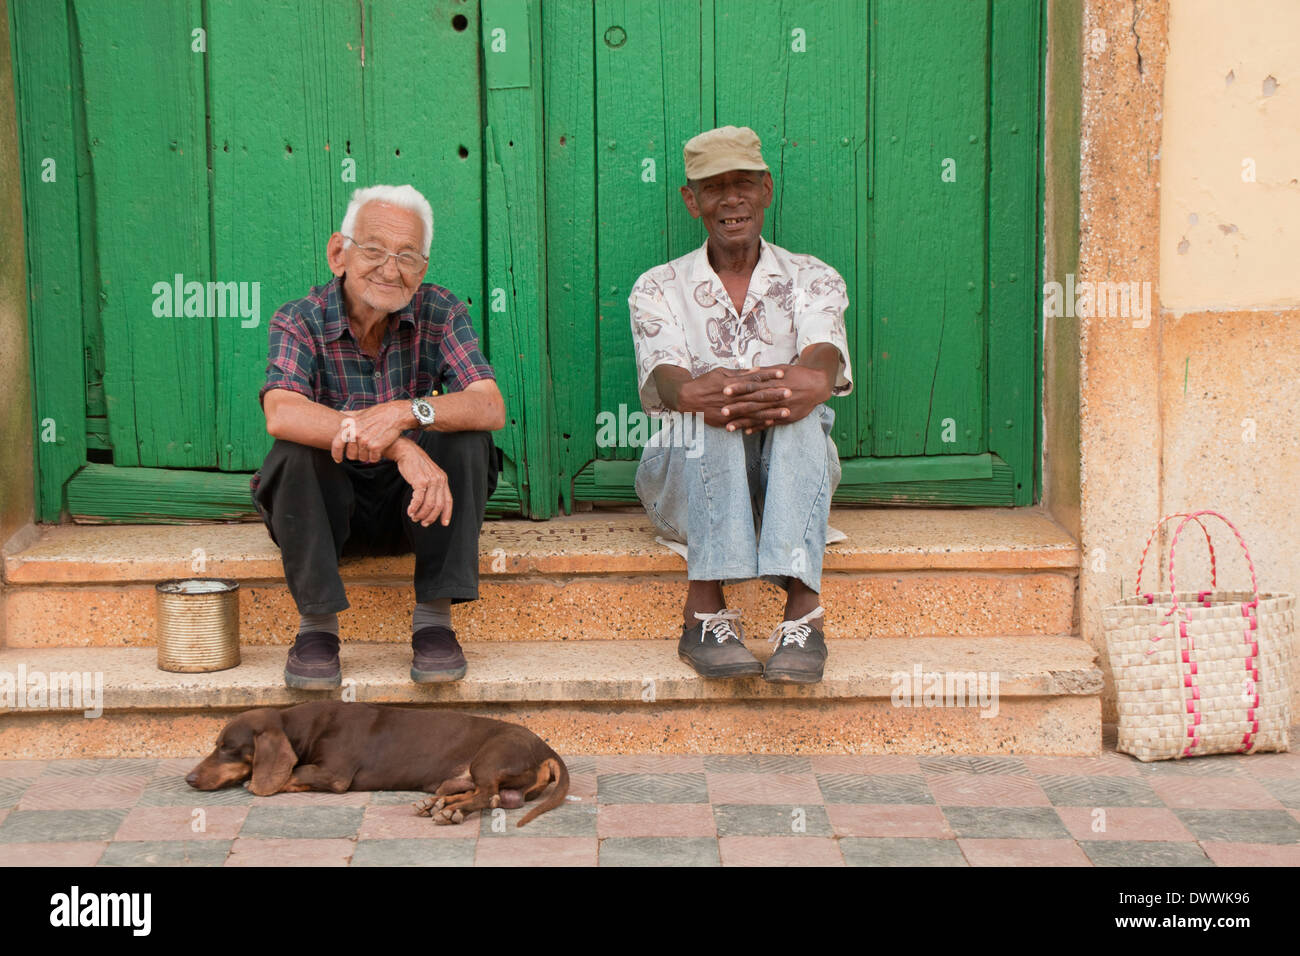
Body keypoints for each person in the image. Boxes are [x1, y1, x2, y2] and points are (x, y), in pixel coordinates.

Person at [251, 184, 505, 689]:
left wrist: (406, 412)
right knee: (295, 453)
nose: (390, 269)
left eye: (407, 256)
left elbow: (489, 405)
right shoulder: (299, 317)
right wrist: (397, 443)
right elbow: (281, 412)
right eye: (373, 250)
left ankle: (434, 621)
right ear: (338, 253)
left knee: (466, 437)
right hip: (330, 515)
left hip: (415, 512)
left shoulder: (441, 311)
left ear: (423, 269)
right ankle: (316, 630)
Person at [629, 126, 853, 684]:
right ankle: (704, 614)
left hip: (789, 481)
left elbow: (821, 368)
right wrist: (735, 395)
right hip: (686, 483)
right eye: (714, 187)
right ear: (692, 200)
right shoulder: (657, 287)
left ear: (766, 190)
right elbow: (677, 387)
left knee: (802, 416)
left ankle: (804, 614)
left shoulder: (813, 277)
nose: (731, 199)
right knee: (709, 416)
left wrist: (789, 390)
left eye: (744, 184)